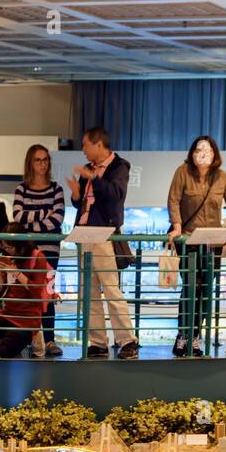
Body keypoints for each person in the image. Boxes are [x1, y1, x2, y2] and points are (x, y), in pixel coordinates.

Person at [166, 135, 226, 357]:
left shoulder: (222, 177)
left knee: (205, 292)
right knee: (190, 290)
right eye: (199, 149)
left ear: (215, 154)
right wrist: (177, 226)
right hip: (189, 241)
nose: (203, 154)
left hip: (213, 244)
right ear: (192, 152)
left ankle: (195, 338)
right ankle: (183, 337)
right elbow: (173, 200)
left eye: (207, 150)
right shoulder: (182, 172)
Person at [68, 127, 137, 360]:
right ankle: (97, 342)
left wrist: (93, 179)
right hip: (84, 234)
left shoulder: (119, 166)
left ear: (99, 144)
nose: (83, 149)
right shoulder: (88, 169)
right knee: (88, 292)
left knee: (111, 289)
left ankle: (127, 340)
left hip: (104, 234)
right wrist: (76, 195)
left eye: (86, 144)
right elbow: (82, 204)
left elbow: (115, 195)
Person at [13, 144, 66, 357]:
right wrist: (44, 215)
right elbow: (18, 217)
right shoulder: (21, 189)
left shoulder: (56, 189)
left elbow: (58, 219)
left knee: (48, 293)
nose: (42, 164)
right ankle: (31, 339)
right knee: (28, 294)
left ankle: (50, 339)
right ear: (30, 163)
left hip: (50, 250)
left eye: (45, 159)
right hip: (27, 251)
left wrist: (32, 220)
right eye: (38, 160)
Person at [0, 223, 56, 358]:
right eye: (4, 246)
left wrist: (16, 272)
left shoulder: (37, 257)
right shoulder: (10, 258)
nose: (8, 250)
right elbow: (4, 294)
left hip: (28, 318)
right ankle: (17, 337)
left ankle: (32, 335)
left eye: (10, 247)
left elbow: (36, 292)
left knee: (4, 351)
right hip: (9, 313)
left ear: (21, 244)